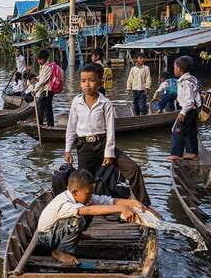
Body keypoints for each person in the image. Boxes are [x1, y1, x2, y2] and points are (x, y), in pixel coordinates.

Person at [64, 63, 152, 205]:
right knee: (84, 181)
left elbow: (110, 130)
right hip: (84, 147)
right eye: (83, 81)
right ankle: (83, 206)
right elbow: (71, 127)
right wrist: (67, 150)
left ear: (100, 82)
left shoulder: (105, 103)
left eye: (91, 80)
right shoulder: (76, 102)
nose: (87, 84)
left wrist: (109, 153)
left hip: (103, 144)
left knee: (133, 169)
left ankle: (144, 204)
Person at [36, 169, 146, 266]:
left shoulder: (80, 197)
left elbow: (108, 201)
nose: (90, 196)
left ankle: (74, 235)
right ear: (75, 192)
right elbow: (89, 210)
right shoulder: (65, 203)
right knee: (77, 220)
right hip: (46, 239)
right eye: (88, 193)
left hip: (56, 232)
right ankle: (61, 252)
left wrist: (131, 202)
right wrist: (121, 208)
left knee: (90, 206)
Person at [170, 56, 201, 161]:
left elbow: (189, 101)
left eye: (174, 67)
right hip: (193, 110)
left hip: (188, 110)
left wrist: (183, 113)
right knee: (190, 131)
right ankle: (192, 153)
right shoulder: (192, 79)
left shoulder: (185, 82)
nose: (174, 69)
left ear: (179, 68)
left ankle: (176, 154)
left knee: (177, 130)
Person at [32, 49, 57, 127]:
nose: (38, 61)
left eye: (40, 59)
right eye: (38, 59)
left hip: (47, 90)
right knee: (47, 108)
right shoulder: (43, 66)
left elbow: (43, 81)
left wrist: (35, 90)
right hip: (46, 90)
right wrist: (36, 78)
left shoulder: (47, 67)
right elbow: (42, 77)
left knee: (40, 105)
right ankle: (50, 125)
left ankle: (39, 124)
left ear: (44, 59)